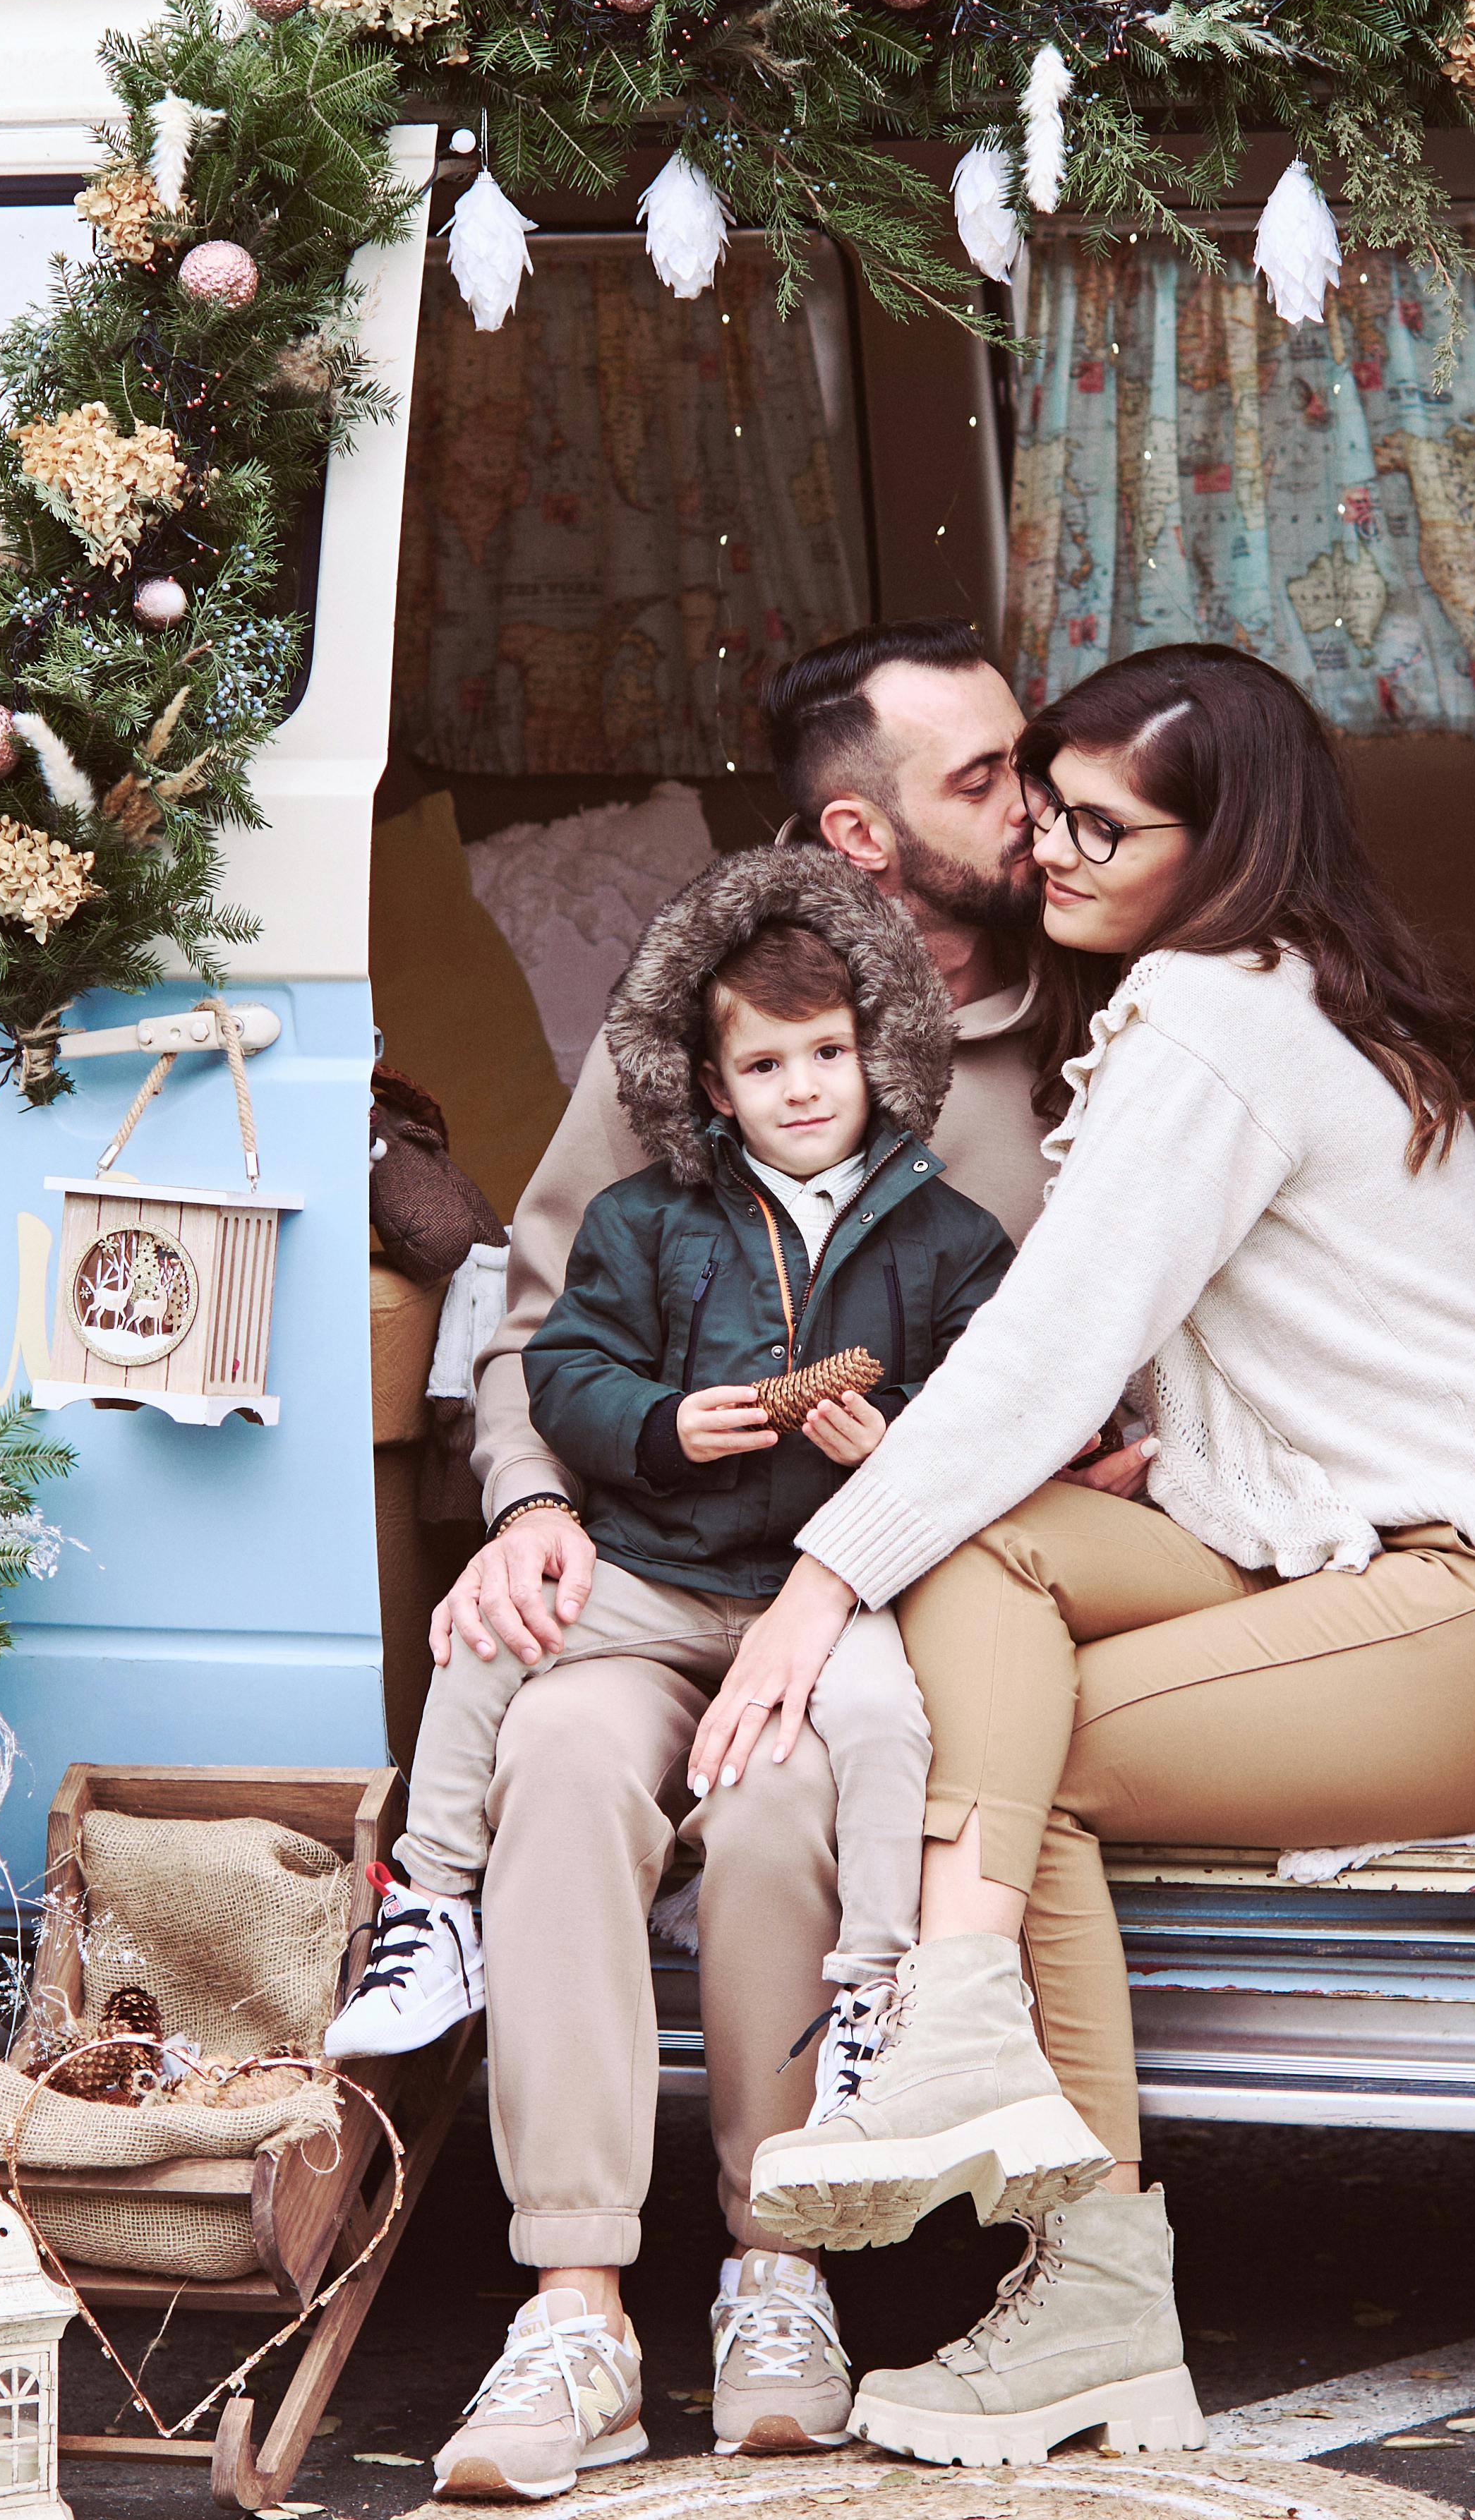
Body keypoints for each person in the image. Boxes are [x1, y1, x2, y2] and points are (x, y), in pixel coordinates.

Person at [699, 643, 1475, 2470]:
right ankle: (993, 2075)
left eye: (1098, 823)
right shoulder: (1258, 985)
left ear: (1219, 842)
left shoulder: (1212, 1018)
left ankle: (1072, 2251)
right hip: (1391, 1559)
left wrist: (817, 1581)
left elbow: (1045, 1345)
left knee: (1017, 1743)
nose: (1049, 848)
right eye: (1041, 805)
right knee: (985, 1564)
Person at [418, 620, 1114, 2497]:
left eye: (1030, 756)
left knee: (785, 1794)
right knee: (560, 1754)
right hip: (649, 1559)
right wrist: (535, 1507)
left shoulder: (1092, 1026)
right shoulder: (710, 1024)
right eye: (985, 778)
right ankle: (569, 2302)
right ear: (860, 835)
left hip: (871, 1599)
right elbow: (534, 1316)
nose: (1039, 801)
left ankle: (775, 2265)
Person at [335, 852, 1016, 2102]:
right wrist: (659, 1426)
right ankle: (432, 1906)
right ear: (710, 1084)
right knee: (493, 1629)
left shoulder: (948, 1234)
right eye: (763, 1066)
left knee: (883, 1722)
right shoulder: (645, 1218)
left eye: (825, 1054)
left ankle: (872, 1990)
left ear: (877, 1053)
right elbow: (566, 1366)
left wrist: (897, 1437)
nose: (800, 1089)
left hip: (835, 1591)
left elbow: (991, 1402)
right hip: (656, 1566)